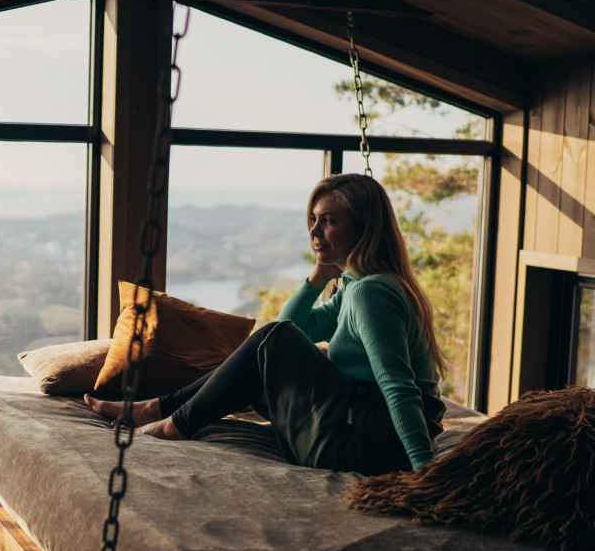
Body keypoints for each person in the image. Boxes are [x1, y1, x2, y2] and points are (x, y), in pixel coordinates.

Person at [85, 173, 447, 474]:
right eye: (314, 219)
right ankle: (160, 408)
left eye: (330, 221)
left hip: (367, 444)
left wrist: (424, 471)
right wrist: (317, 278)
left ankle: (170, 420)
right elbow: (293, 330)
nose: (315, 231)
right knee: (266, 354)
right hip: (358, 426)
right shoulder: (356, 287)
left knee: (270, 343)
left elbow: (397, 385)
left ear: (364, 229)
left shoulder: (371, 293)